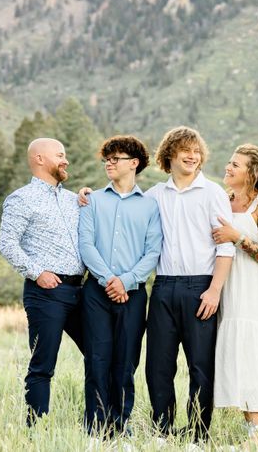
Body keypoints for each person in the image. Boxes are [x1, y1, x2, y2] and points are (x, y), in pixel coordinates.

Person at [79, 125, 234, 441]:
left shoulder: (214, 193)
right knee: (157, 368)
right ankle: (162, 432)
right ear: (170, 156)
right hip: (162, 288)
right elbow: (122, 205)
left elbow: (225, 246)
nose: (192, 156)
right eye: (184, 151)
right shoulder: (153, 197)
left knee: (201, 367)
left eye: (196, 151)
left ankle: (198, 436)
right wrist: (83, 194)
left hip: (200, 287)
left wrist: (215, 290)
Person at [77, 135, 163, 438]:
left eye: (117, 158)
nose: (109, 164)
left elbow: (152, 253)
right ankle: (95, 428)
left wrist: (125, 281)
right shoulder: (91, 200)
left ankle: (120, 425)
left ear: (134, 163)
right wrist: (109, 280)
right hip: (96, 294)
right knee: (97, 359)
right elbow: (85, 244)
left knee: (126, 362)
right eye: (107, 159)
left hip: (134, 294)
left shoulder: (150, 206)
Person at [0, 137, 85, 426]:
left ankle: (102, 423)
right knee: (42, 365)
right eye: (60, 155)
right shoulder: (21, 199)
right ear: (39, 159)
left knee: (101, 354)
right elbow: (7, 244)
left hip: (80, 292)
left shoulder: (74, 199)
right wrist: (38, 273)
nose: (66, 160)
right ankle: (38, 430)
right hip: (46, 293)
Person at [211, 144, 258, 440]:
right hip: (227, 287)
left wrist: (237, 237)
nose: (228, 167)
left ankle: (256, 432)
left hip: (252, 289)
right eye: (229, 162)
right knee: (235, 351)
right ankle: (245, 425)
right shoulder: (223, 200)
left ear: (252, 172)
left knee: (252, 351)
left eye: (236, 165)